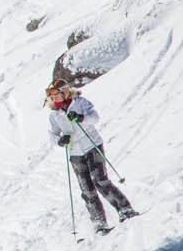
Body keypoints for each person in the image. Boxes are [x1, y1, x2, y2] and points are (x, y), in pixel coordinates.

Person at [46, 80, 138, 232]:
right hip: (75, 152)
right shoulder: (54, 115)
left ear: (65, 92)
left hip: (92, 146)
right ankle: (99, 223)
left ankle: (125, 209)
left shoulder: (80, 102)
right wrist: (60, 140)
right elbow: (53, 135)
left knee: (100, 181)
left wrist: (82, 118)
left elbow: (95, 118)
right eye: (51, 95)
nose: (53, 98)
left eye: (56, 94)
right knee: (87, 189)